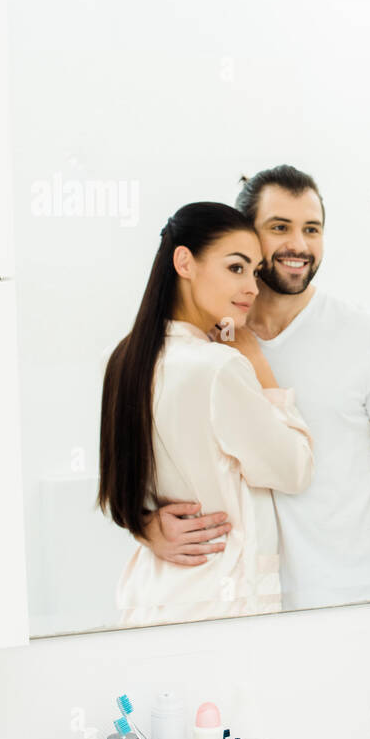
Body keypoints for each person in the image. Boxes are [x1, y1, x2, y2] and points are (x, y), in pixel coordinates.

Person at [137, 166, 370, 605]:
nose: (298, 245)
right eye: (280, 227)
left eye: (312, 229)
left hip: (353, 601)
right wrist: (146, 525)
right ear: (247, 235)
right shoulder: (204, 348)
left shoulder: (365, 337)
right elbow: (152, 466)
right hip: (247, 605)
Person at [98, 202, 314, 627]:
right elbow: (294, 468)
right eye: (236, 268)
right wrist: (257, 362)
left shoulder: (124, 359)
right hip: (219, 604)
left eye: (254, 271)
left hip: (151, 595)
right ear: (184, 262)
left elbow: (121, 489)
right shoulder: (219, 367)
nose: (252, 286)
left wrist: (145, 526)